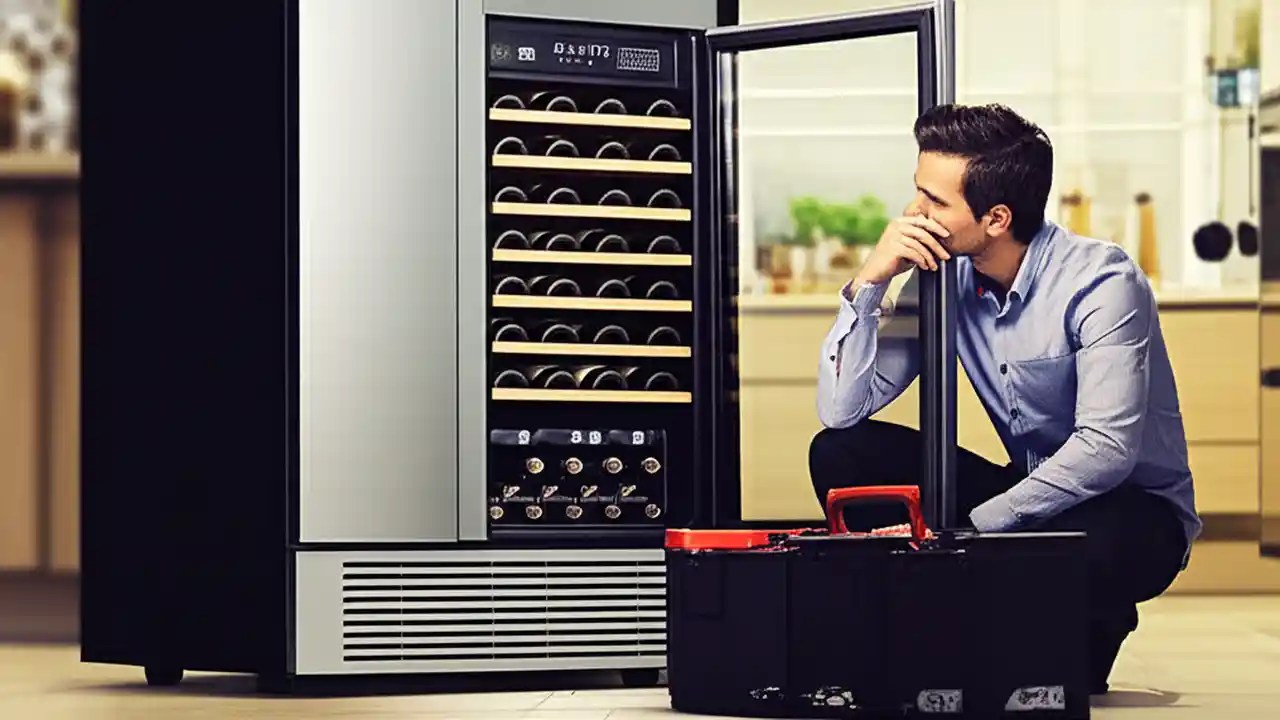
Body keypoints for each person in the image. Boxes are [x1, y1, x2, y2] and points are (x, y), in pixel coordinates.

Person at [808, 103, 1200, 695]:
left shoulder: (1103, 283)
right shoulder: (940, 275)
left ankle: (1072, 611)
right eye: (918, 192)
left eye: (934, 202)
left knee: (1100, 543)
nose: (914, 212)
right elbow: (843, 410)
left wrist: (967, 532)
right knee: (842, 455)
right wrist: (870, 283)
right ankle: (948, 612)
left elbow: (1105, 451)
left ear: (996, 218)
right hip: (1026, 501)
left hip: (1127, 510)